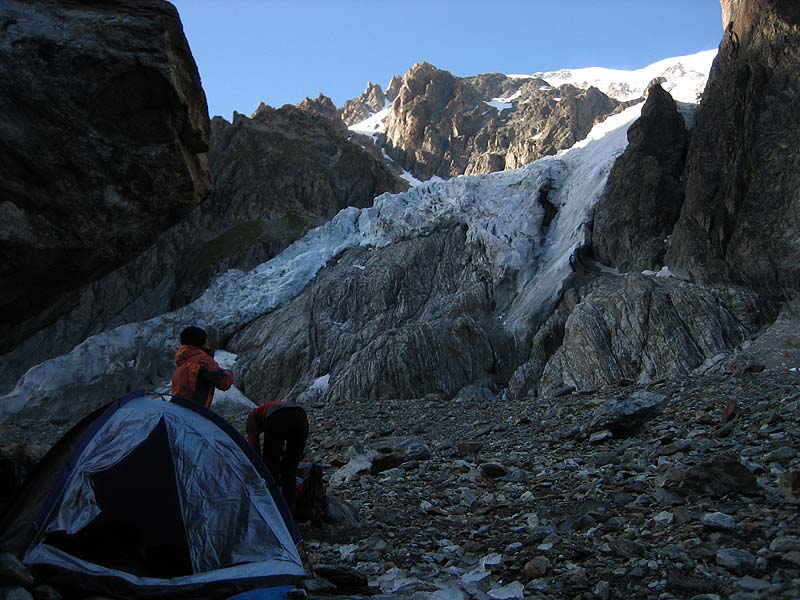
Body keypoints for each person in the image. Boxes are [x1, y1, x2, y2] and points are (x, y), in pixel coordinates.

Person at [246, 400, 308, 513]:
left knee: (270, 469)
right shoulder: (272, 406)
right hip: (301, 417)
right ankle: (289, 511)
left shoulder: (252, 416)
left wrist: (259, 464)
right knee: (290, 470)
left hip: (278, 417)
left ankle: (272, 509)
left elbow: (253, 445)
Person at [171, 326, 233, 408]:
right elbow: (224, 382)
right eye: (206, 339)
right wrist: (229, 373)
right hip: (194, 412)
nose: (208, 341)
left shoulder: (183, 360)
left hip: (179, 410)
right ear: (201, 341)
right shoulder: (202, 360)